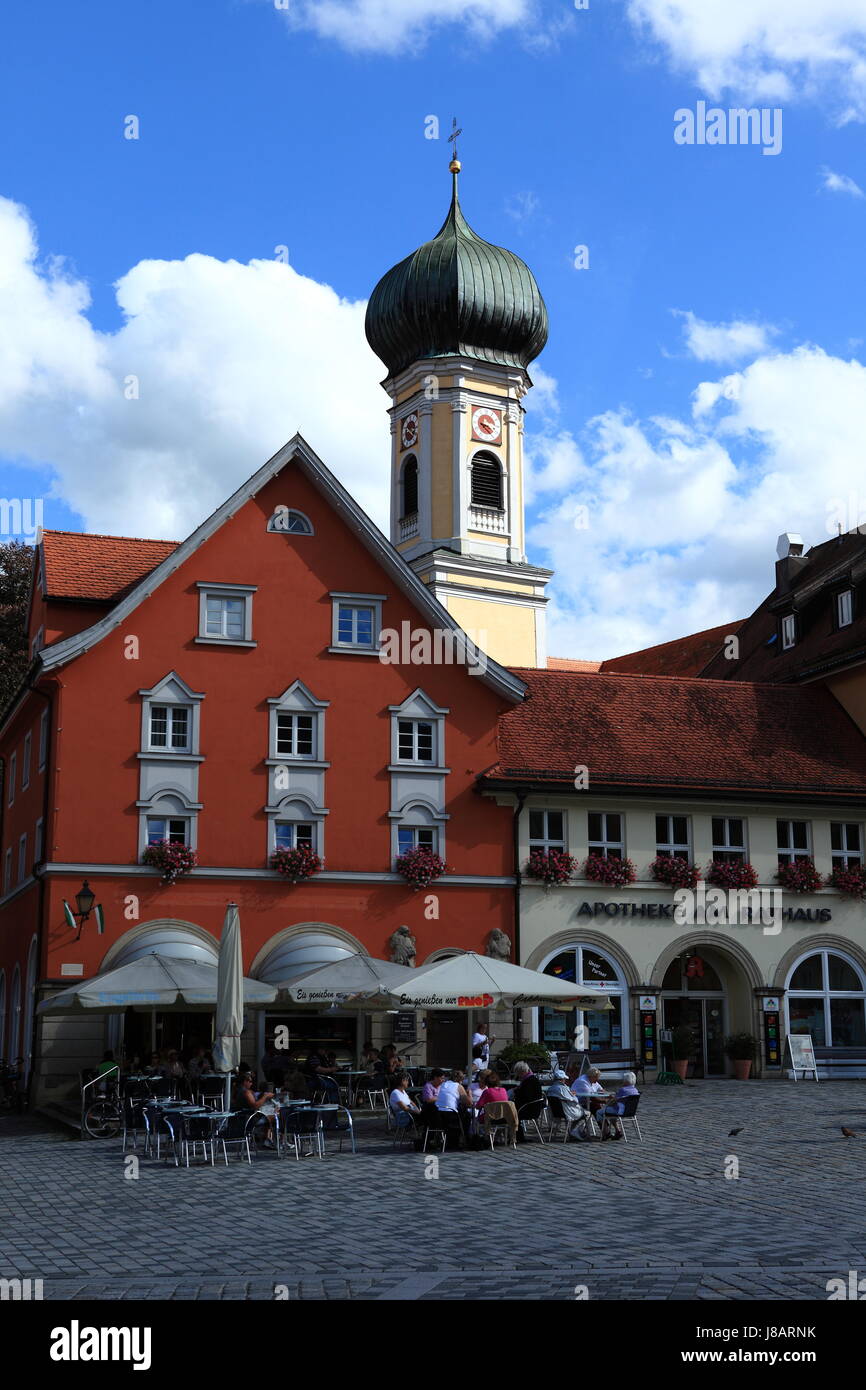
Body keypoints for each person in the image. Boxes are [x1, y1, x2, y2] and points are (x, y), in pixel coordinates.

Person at [232, 1069, 276, 1147]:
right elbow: (255, 1105)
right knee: (275, 1117)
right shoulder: (246, 1092)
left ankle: (266, 1138)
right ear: (245, 1082)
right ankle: (269, 1140)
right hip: (249, 1120)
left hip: (241, 1118)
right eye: (250, 1081)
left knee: (270, 1115)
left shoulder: (238, 1091)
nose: (251, 1084)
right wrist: (265, 1096)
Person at [547, 1068, 590, 1142]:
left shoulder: (550, 1089)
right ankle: (574, 1131)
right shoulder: (563, 1088)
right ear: (562, 1079)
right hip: (567, 1111)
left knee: (574, 1112)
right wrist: (573, 1095)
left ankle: (572, 1131)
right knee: (587, 1113)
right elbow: (575, 1100)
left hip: (556, 1113)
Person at [570, 1065, 608, 1141]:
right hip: (577, 1103)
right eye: (596, 1078)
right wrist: (604, 1101)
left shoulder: (592, 1080)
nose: (597, 1080)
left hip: (587, 1102)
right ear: (592, 1076)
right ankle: (605, 1131)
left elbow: (601, 1090)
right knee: (596, 1108)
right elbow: (591, 1097)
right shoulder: (583, 1081)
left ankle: (606, 1131)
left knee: (597, 1108)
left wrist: (607, 1095)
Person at [600, 1072, 640, 1141]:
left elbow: (613, 1101)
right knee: (611, 1113)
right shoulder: (635, 1090)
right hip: (630, 1112)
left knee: (599, 1112)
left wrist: (606, 1104)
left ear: (626, 1081)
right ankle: (617, 1131)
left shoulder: (622, 1090)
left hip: (620, 1111)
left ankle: (605, 1133)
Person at [511, 1060, 543, 1142]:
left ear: (522, 1072)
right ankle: (516, 1136)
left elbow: (526, 1096)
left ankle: (518, 1137)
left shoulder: (529, 1081)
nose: (518, 1076)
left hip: (530, 1109)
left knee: (511, 1114)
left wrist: (517, 1092)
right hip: (530, 1107)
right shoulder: (530, 1079)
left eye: (518, 1073)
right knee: (512, 1111)